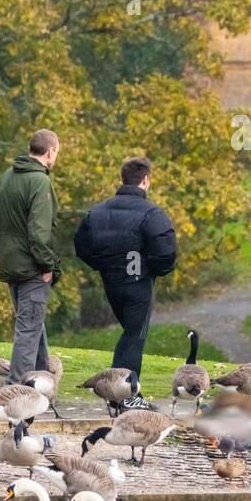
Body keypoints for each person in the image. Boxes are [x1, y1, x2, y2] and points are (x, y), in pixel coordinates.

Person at [74, 156, 177, 392]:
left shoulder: (97, 212)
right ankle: (123, 392)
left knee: (131, 332)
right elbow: (166, 251)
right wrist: (154, 270)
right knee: (134, 335)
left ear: (123, 179)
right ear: (146, 180)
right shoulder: (152, 213)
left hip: (111, 282)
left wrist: (102, 265)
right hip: (139, 284)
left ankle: (122, 389)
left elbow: (82, 245)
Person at [0, 129, 61, 384]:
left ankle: (42, 385)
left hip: (12, 265)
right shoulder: (40, 182)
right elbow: (39, 234)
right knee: (28, 330)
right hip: (32, 268)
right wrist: (48, 265)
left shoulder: (7, 177)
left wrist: (2, 255)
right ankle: (16, 389)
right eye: (57, 152)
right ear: (50, 151)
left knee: (33, 325)